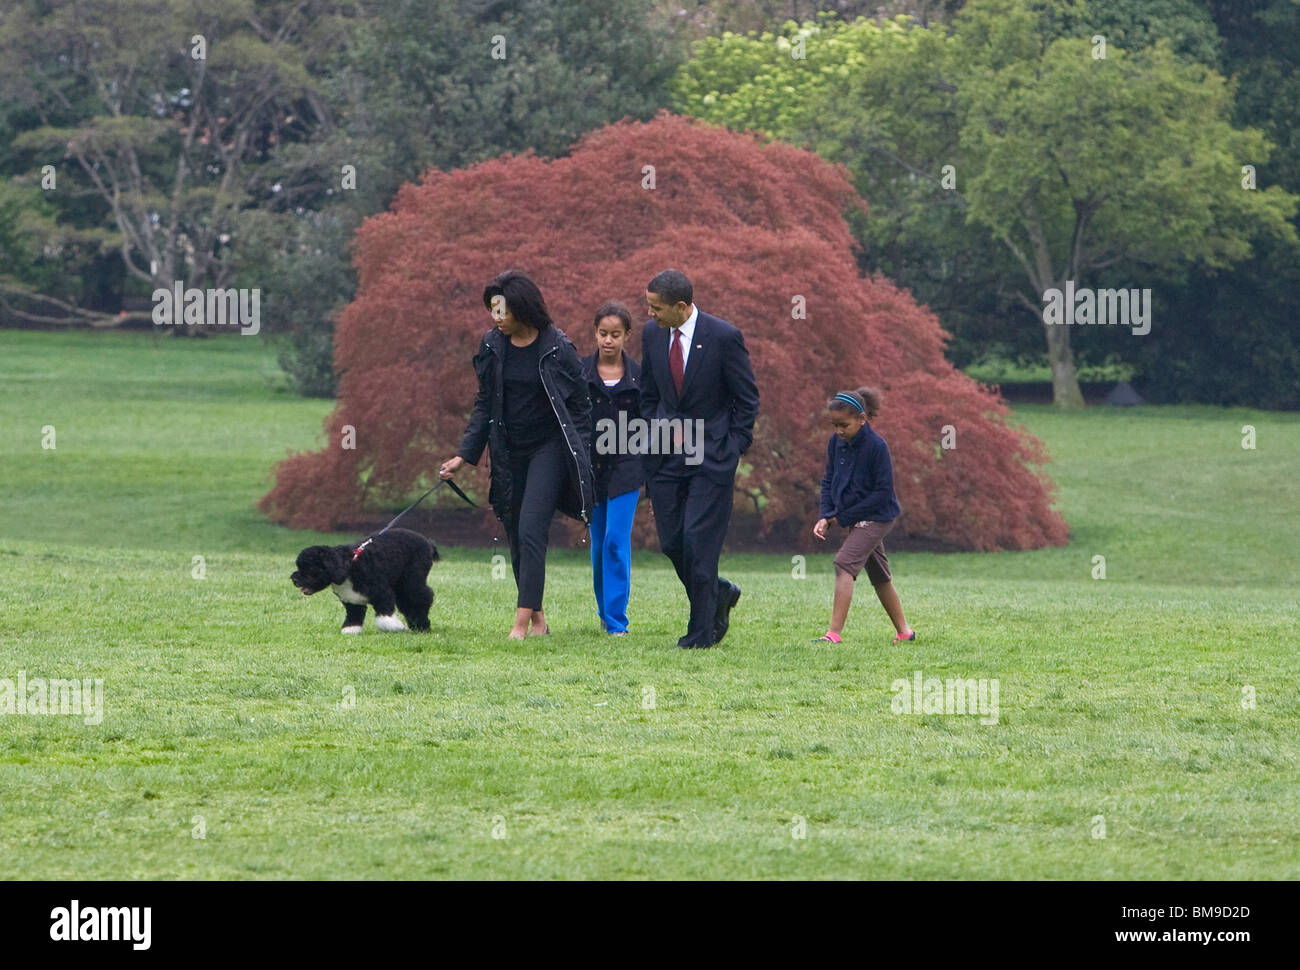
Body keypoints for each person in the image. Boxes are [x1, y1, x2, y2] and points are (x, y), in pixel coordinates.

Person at [439, 271, 595, 640]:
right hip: (508, 450)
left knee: (531, 529)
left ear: (521, 308)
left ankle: (520, 624)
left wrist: (579, 454)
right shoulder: (492, 346)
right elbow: (484, 405)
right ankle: (539, 619)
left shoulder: (557, 348)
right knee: (513, 530)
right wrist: (464, 456)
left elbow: (582, 406)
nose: (495, 318)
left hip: (550, 449)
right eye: (492, 310)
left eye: (501, 310)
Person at [640, 269, 759, 648]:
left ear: (681, 306)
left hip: (712, 458)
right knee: (673, 543)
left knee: (698, 542)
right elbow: (648, 394)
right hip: (665, 458)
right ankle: (719, 592)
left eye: (656, 307)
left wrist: (733, 447)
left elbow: (747, 398)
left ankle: (700, 633)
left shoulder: (724, 337)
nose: (650, 313)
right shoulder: (650, 335)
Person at [811, 387, 915, 644]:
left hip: (877, 516)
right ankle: (905, 632)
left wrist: (843, 517)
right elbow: (828, 480)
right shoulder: (836, 442)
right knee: (879, 576)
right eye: (834, 425)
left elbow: (882, 494)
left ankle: (833, 634)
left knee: (843, 564)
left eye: (844, 425)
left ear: (861, 419)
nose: (839, 431)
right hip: (854, 516)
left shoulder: (877, 447)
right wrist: (826, 515)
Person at [582, 301, 644, 636]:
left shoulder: (640, 377)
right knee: (597, 544)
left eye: (615, 334)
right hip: (590, 470)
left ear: (627, 336)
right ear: (595, 333)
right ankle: (605, 612)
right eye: (603, 333)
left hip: (627, 468)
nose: (608, 340)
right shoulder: (579, 373)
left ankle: (617, 622)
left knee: (615, 543)